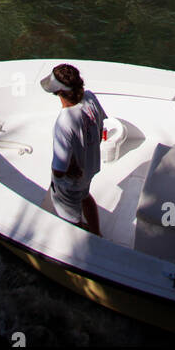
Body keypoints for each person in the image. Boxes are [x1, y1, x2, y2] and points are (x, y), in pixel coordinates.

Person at [41, 63, 106, 235]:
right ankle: (96, 233)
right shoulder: (90, 98)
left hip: (70, 183)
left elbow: (59, 170)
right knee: (85, 196)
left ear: (58, 93)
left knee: (71, 219)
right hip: (90, 169)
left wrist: (72, 168)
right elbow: (100, 131)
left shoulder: (64, 122)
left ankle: (83, 238)